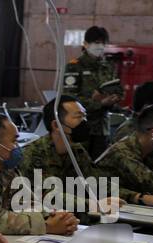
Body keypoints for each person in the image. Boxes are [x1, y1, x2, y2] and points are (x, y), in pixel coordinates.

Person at [20, 96, 153, 213]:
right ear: (56, 125)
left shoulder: (77, 151)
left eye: (85, 116)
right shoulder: (34, 154)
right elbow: (50, 196)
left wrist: (140, 198)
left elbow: (97, 184)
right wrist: (94, 204)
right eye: (78, 117)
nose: (85, 122)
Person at [61, 26, 120, 157]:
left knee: (99, 167)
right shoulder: (74, 66)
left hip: (102, 127)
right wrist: (99, 103)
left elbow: (114, 89)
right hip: (81, 125)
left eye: (103, 43)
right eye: (96, 43)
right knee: (79, 165)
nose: (100, 46)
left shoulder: (108, 66)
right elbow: (69, 99)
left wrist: (113, 100)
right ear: (86, 44)